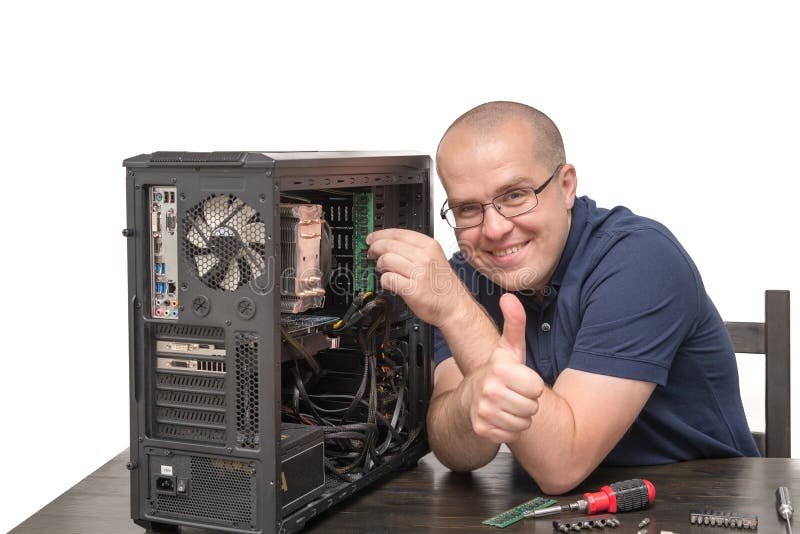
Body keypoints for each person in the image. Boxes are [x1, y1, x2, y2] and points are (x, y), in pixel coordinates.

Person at [366, 101, 759, 494]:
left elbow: (560, 465)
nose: (495, 228)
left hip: (700, 501)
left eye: (516, 195)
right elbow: (459, 453)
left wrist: (455, 311)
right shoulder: (467, 275)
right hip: (554, 511)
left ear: (566, 186)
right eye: (469, 208)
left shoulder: (640, 259)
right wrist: (472, 396)